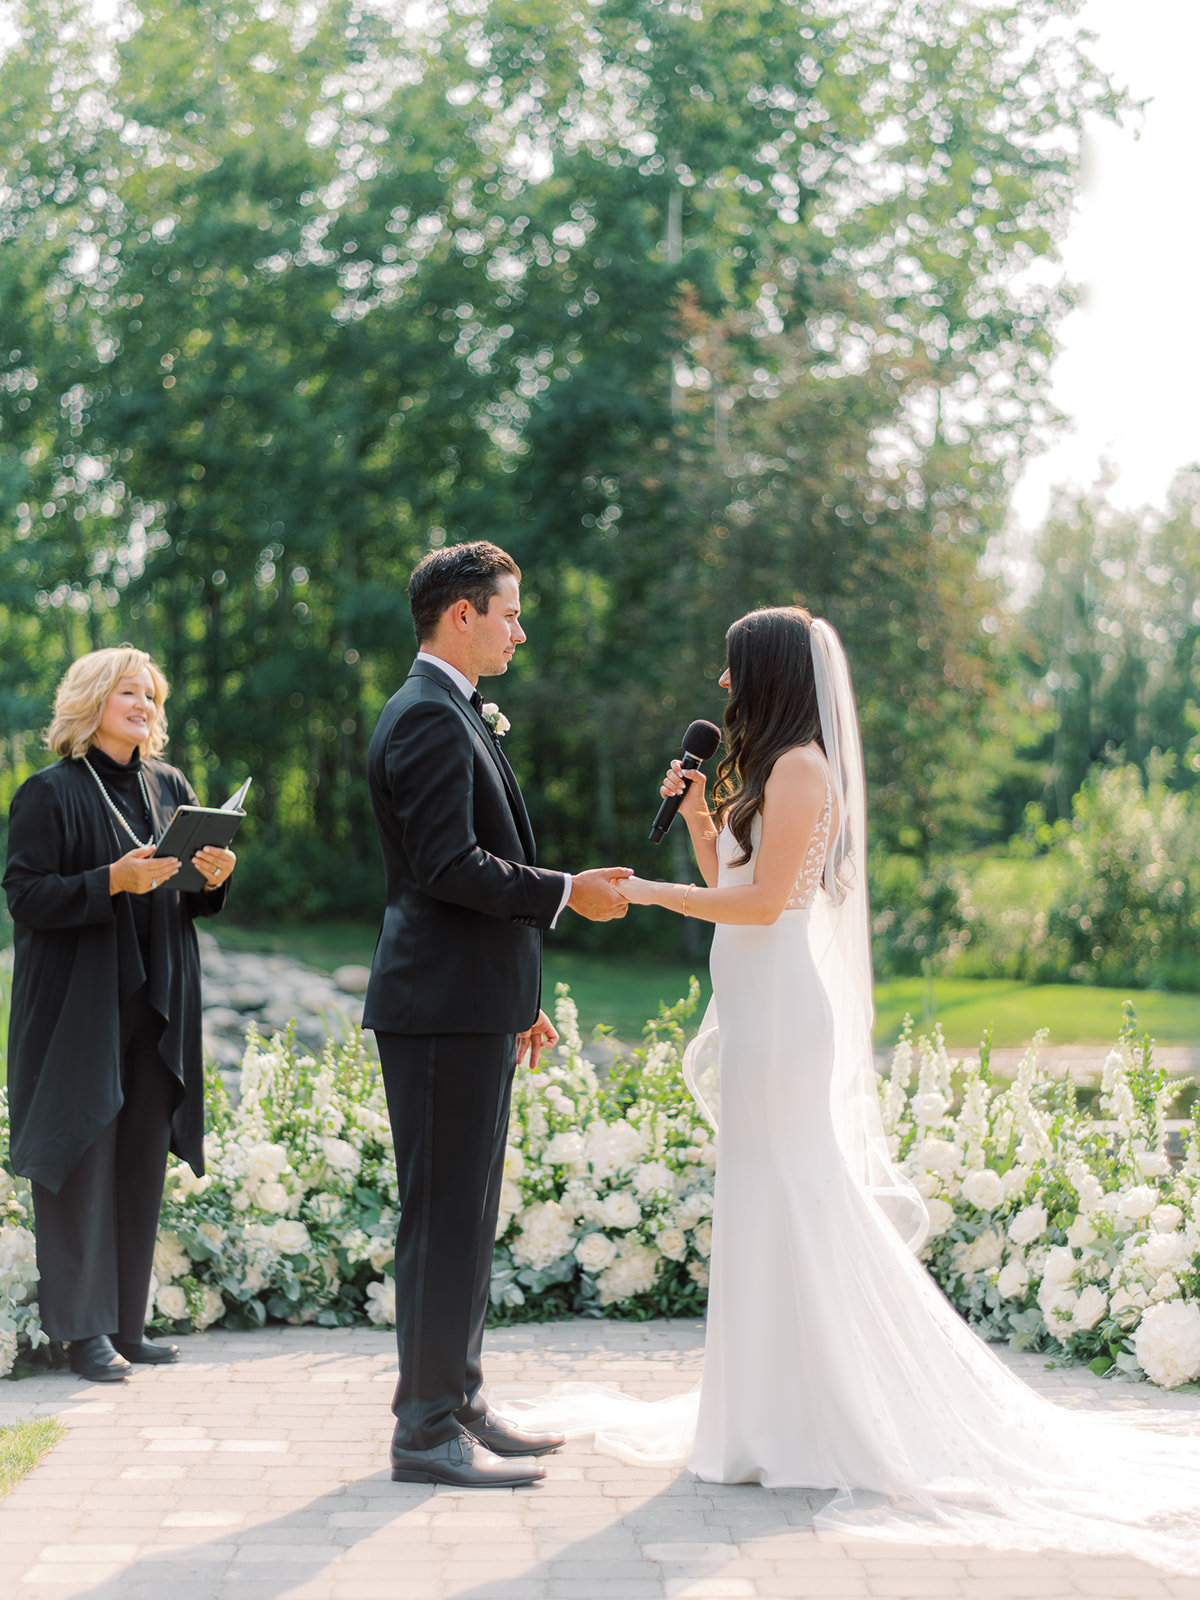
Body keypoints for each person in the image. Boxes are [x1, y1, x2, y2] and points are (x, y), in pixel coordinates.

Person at [604, 606, 1200, 1570]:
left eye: (731, 669)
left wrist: (646, 893)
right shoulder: (763, 773)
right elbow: (732, 871)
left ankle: (820, 1418)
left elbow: (759, 908)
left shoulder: (802, 770)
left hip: (785, 1016)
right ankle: (758, 1422)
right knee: (756, 1199)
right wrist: (702, 817)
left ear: (769, 673)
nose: (720, 687)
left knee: (799, 1194)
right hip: (754, 1010)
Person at [363, 540, 632, 1489]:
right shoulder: (428, 717)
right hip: (434, 1009)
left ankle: (461, 1402)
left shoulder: (450, 709)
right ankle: (424, 1429)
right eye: (510, 613)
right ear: (461, 615)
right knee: (441, 1220)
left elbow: (461, 875)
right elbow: (446, 867)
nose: (520, 630)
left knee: (468, 1217)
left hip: (466, 1004)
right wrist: (566, 891)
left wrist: (516, 999)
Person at [3, 646, 236, 1384]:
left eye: (153, 697)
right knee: (79, 1159)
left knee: (138, 1155)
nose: (145, 706)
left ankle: (127, 1327)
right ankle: (83, 1335)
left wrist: (213, 879)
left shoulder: (172, 786)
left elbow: (188, 898)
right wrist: (112, 880)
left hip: (157, 1002)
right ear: (93, 699)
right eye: (130, 693)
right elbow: (25, 896)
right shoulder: (49, 793)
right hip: (78, 1007)